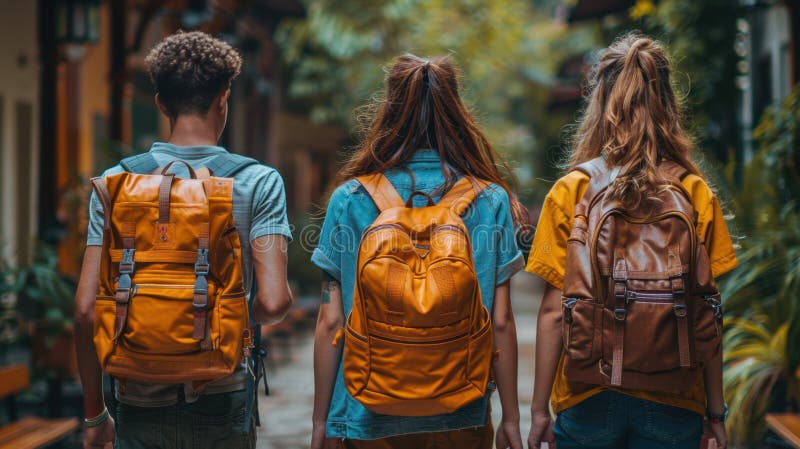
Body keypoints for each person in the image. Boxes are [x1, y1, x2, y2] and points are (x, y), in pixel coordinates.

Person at [74, 31, 293, 449]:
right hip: (221, 393)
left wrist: (93, 414)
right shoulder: (258, 182)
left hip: (136, 396)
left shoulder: (115, 185)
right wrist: (221, 323)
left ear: (160, 103)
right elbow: (276, 302)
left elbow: (86, 311)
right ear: (224, 98)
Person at [525, 33, 737, 449]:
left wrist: (537, 412)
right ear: (667, 103)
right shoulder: (695, 193)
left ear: (598, 102)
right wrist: (715, 413)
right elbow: (708, 313)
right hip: (676, 398)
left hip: (587, 396)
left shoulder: (572, 190)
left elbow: (553, 312)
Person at [310, 54, 526, 449]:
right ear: (456, 111)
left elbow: (330, 322)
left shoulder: (350, 198)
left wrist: (323, 422)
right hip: (462, 407)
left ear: (389, 110)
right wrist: (512, 418)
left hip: (366, 408)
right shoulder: (490, 200)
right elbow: (501, 322)